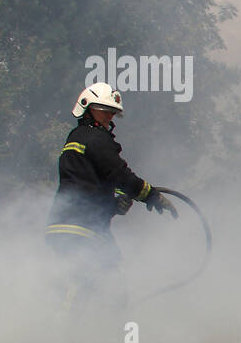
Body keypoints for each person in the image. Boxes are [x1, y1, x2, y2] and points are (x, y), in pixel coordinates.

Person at [45, 82, 177, 313]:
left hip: (68, 223)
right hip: (82, 226)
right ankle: (64, 334)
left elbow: (86, 182)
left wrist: (113, 204)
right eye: (104, 111)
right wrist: (151, 195)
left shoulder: (77, 138)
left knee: (106, 279)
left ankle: (93, 333)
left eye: (112, 112)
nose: (109, 117)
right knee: (90, 279)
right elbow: (119, 173)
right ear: (87, 108)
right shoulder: (95, 138)